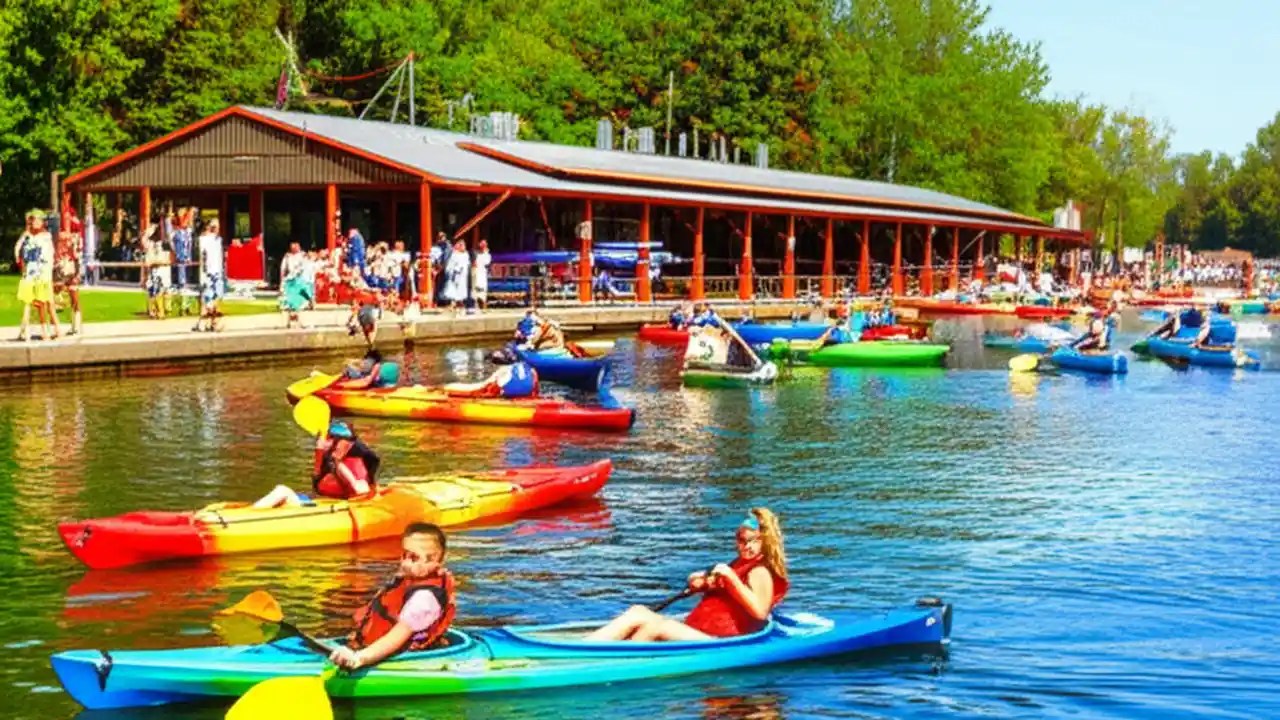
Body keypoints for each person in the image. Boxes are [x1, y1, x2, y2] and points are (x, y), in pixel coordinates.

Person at [586, 508, 788, 642]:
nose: (747, 546)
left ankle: (616, 661)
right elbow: (722, 590)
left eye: (754, 541)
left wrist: (730, 577)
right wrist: (701, 583)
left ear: (765, 542)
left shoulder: (760, 571)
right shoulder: (736, 565)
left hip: (721, 642)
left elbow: (760, 612)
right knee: (638, 611)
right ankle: (585, 647)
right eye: (742, 540)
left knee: (658, 625)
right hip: (699, 630)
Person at [329, 523, 455, 669]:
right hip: (366, 646)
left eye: (414, 558)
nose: (405, 563)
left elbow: (395, 638)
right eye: (404, 555)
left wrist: (359, 659)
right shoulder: (409, 581)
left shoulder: (423, 599)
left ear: (435, 560)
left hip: (400, 658)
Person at [253, 419, 381, 508]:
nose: (321, 443)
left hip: (330, 513)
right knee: (282, 494)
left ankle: (246, 519)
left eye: (328, 438)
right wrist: (319, 456)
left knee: (282, 490)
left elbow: (360, 490)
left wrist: (338, 463)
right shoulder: (330, 461)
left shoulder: (351, 466)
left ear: (342, 443)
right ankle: (247, 514)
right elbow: (317, 485)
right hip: (318, 505)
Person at [14, 209, 58, 341]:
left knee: (44, 303)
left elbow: (50, 255)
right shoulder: (27, 235)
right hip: (30, 273)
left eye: (37, 220)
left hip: (42, 274)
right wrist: (18, 259)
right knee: (28, 302)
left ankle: (47, 331)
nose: (35, 223)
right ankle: (25, 331)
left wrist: (49, 271)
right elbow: (17, 248)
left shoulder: (46, 236)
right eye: (33, 220)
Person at [195, 220, 225, 332]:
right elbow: (202, 258)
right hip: (208, 273)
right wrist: (203, 274)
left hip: (217, 272)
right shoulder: (204, 240)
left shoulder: (218, 240)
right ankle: (204, 322)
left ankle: (213, 322)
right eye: (214, 226)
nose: (217, 229)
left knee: (216, 298)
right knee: (207, 298)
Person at [280, 241, 309, 328]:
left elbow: (305, 268)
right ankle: (288, 322)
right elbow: (283, 269)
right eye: (292, 245)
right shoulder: (287, 256)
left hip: (299, 280)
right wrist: (282, 281)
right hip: (290, 280)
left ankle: (300, 321)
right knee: (290, 302)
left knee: (300, 302)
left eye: (296, 245)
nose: (294, 247)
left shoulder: (302, 256)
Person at [472, 239, 491, 311]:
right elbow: (474, 263)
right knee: (476, 290)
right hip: (477, 273)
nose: (482, 246)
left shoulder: (487, 255)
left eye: (484, 245)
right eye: (481, 244)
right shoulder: (476, 254)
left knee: (483, 290)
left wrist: (486, 253)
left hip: (482, 273)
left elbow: (487, 263)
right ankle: (476, 305)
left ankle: (484, 306)